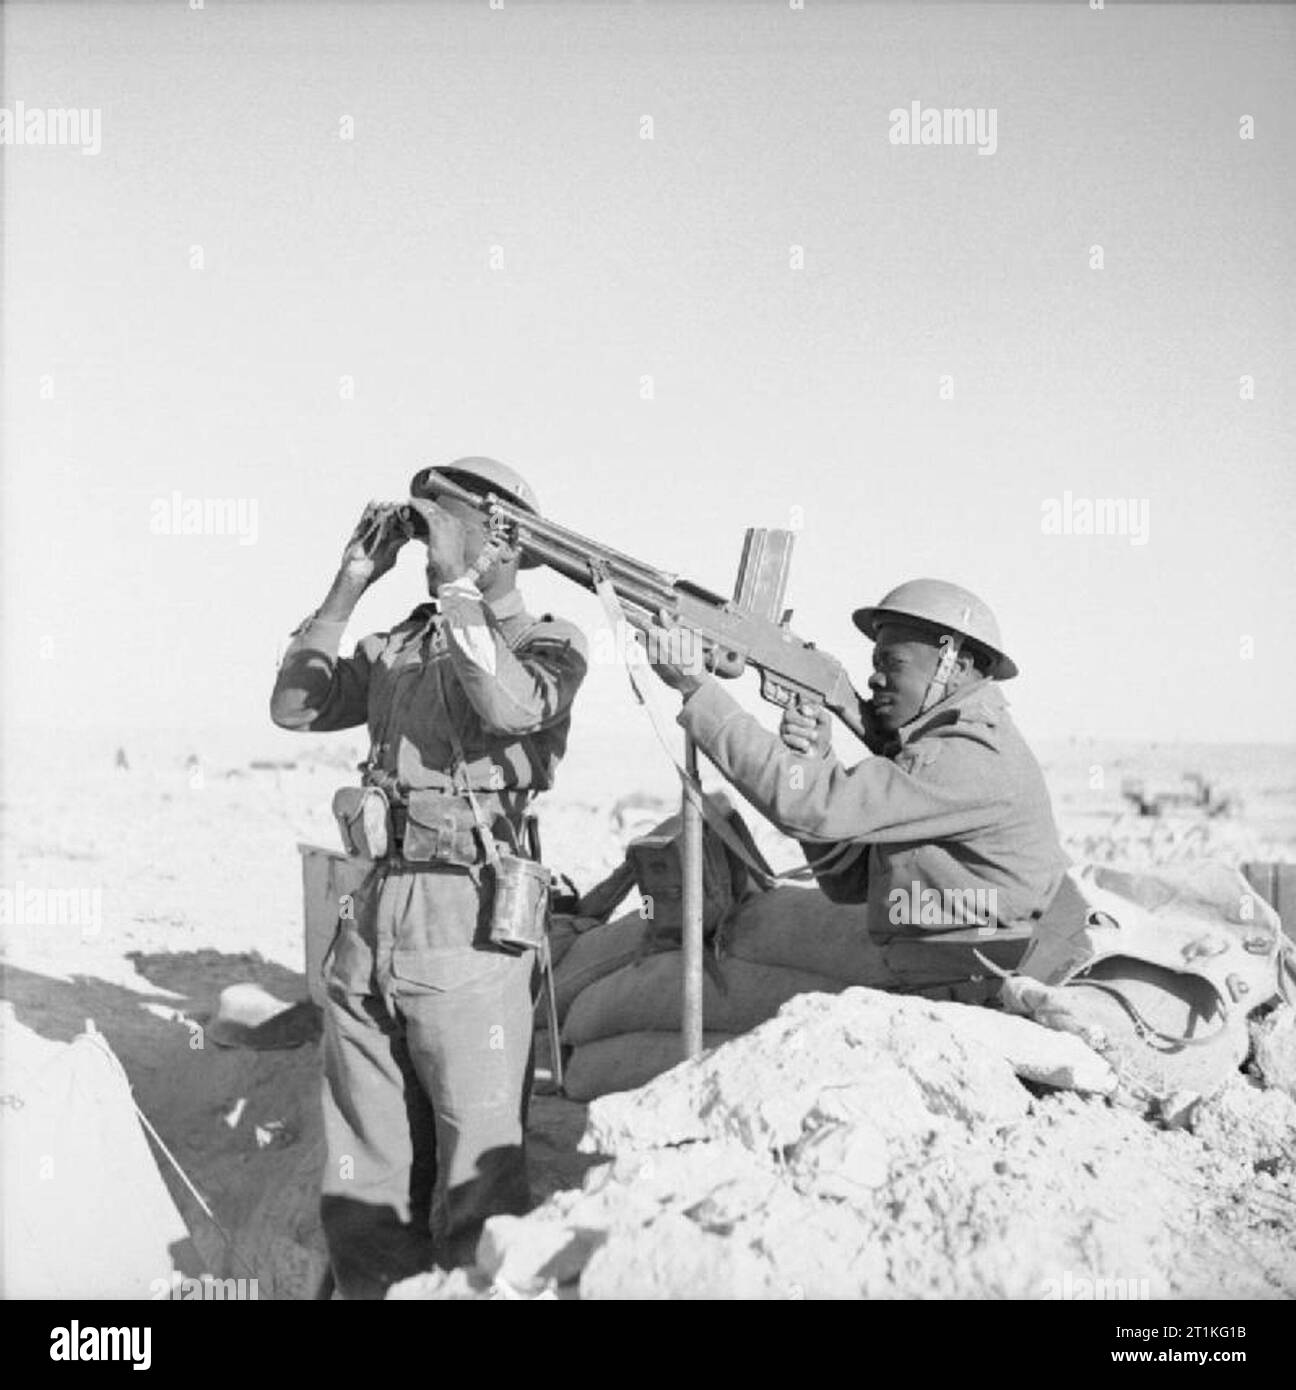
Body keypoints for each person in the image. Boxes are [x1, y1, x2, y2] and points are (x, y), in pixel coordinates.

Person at [270, 457, 588, 1297]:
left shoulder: (547, 642)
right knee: (364, 1168)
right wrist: (349, 583)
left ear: (503, 538)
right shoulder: (401, 641)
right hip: (373, 908)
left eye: (449, 523)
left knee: (477, 1172)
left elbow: (508, 707)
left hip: (469, 919)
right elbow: (295, 707)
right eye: (426, 523)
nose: (427, 540)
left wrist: (458, 587)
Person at [643, 578, 1067, 940]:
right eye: (873, 663)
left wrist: (697, 692)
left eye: (892, 663)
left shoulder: (966, 755)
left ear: (957, 667)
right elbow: (848, 882)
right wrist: (817, 757)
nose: (874, 677)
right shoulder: (949, 745)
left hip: (962, 965)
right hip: (932, 952)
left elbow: (812, 808)